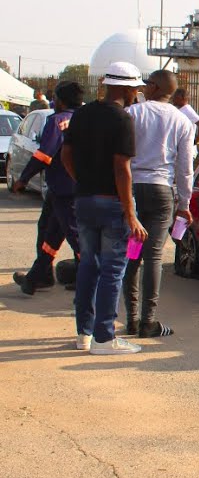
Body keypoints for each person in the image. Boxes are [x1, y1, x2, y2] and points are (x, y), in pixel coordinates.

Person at [61, 61, 148, 355]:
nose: (137, 93)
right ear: (126, 88)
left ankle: (83, 334)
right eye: (136, 88)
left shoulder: (82, 114)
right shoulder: (122, 119)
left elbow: (66, 154)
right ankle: (104, 338)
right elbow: (122, 168)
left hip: (84, 200)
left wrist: (83, 181)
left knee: (88, 264)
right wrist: (130, 213)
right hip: (112, 204)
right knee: (112, 270)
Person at [123, 69, 195, 338]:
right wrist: (184, 202)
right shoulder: (182, 121)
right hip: (162, 193)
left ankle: (130, 319)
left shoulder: (133, 114)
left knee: (133, 253)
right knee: (153, 256)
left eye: (146, 85)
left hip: (133, 191)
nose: (142, 89)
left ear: (154, 87)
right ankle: (148, 321)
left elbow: (122, 157)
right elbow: (185, 168)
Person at [10, 80, 84, 295]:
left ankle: (88, 278)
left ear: (59, 101)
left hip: (63, 188)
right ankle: (38, 277)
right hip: (68, 187)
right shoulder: (84, 118)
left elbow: (44, 155)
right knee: (50, 232)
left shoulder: (57, 121)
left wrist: (23, 179)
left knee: (75, 236)